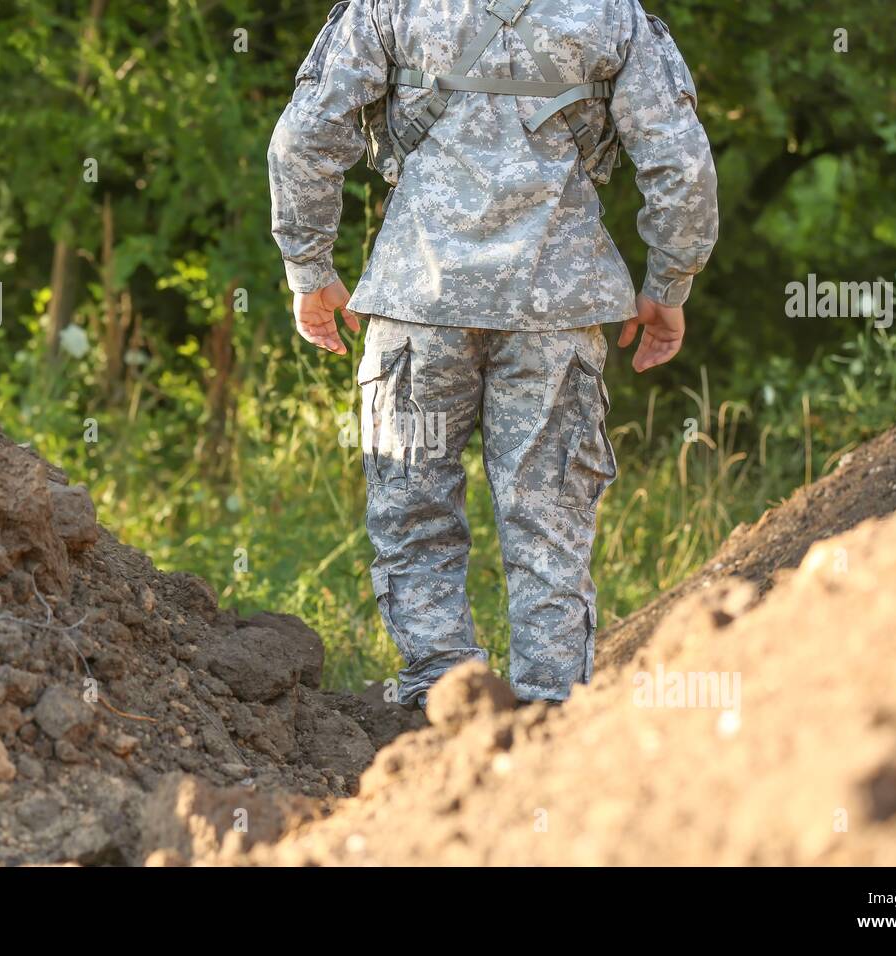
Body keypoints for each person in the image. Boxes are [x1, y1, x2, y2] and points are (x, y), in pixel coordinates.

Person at [267, 0, 718, 705]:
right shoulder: (611, 15)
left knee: (414, 513)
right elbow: (681, 162)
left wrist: (310, 269)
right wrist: (669, 282)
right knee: (548, 523)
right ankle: (547, 716)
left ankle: (443, 711)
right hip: (556, 313)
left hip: (419, 305)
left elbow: (304, 140)